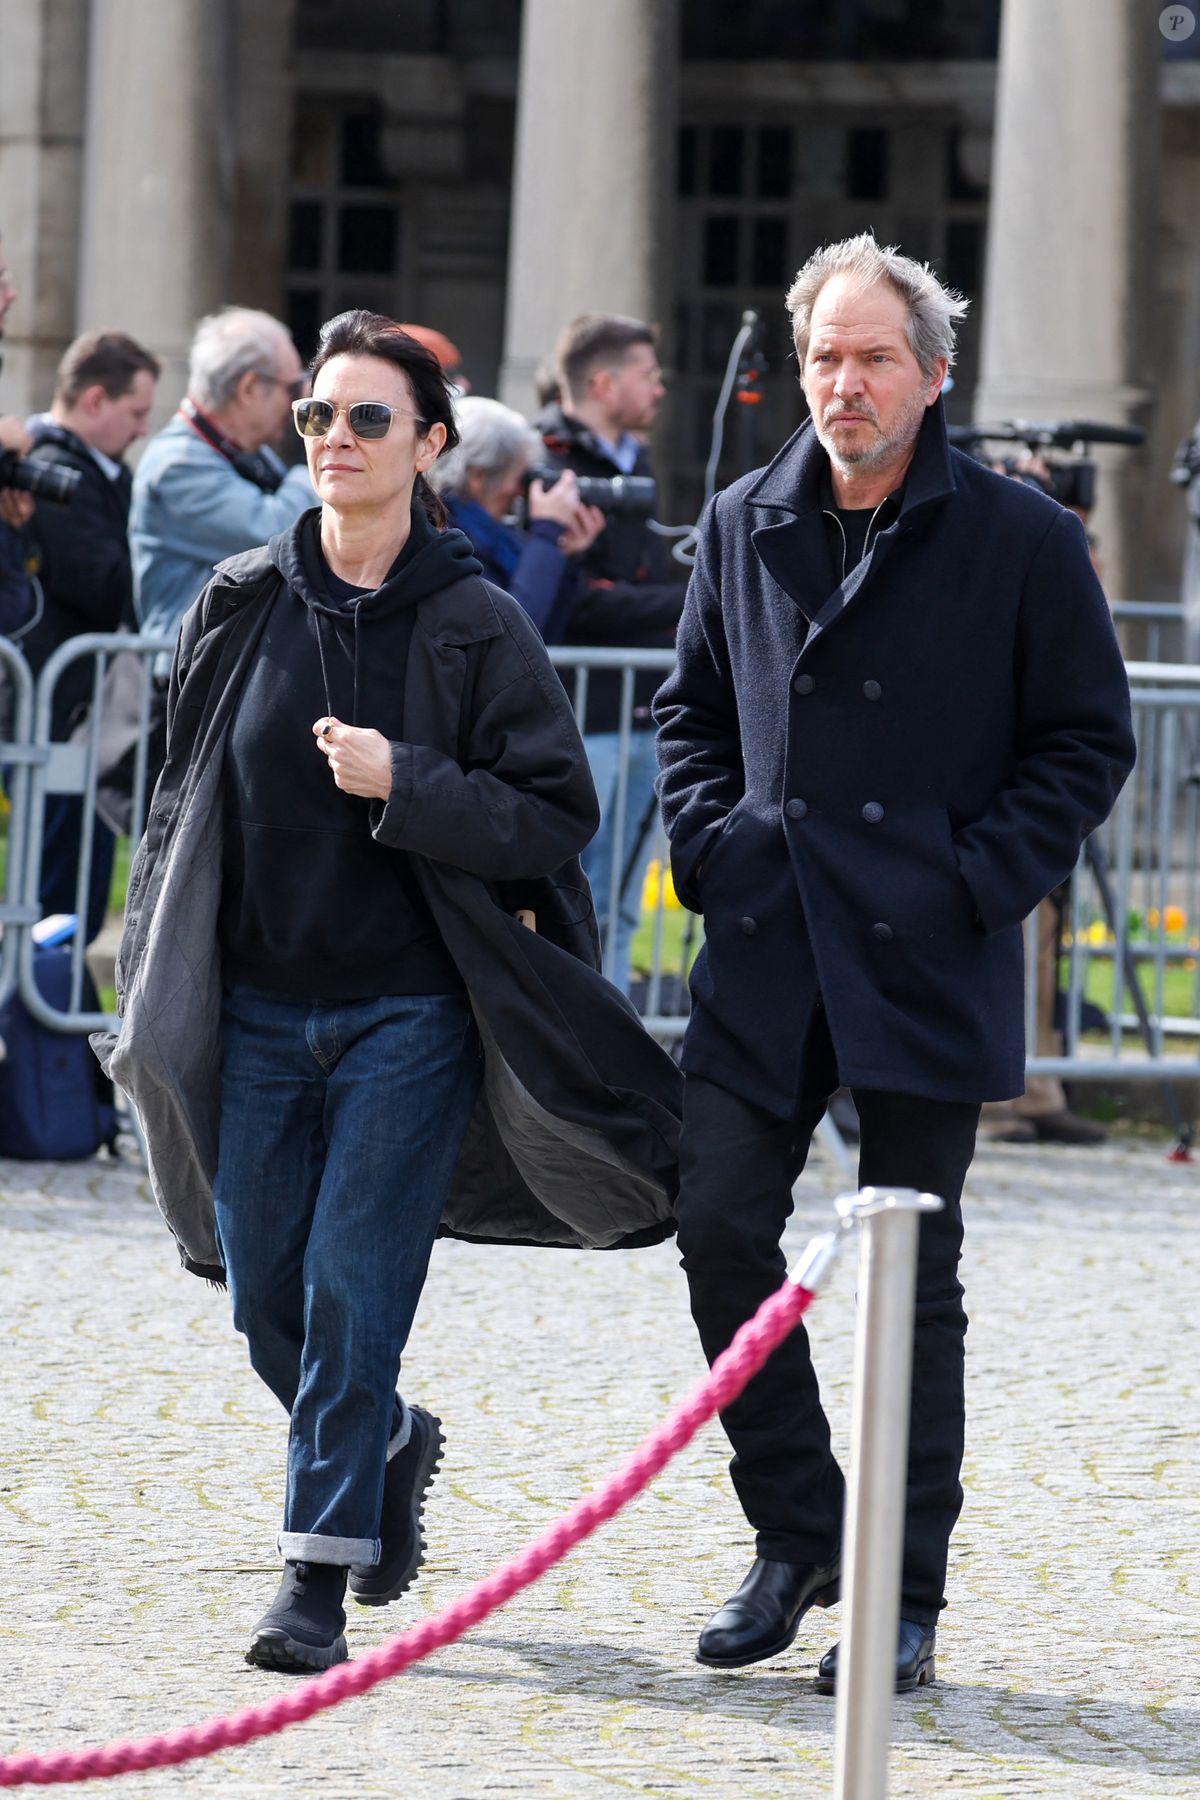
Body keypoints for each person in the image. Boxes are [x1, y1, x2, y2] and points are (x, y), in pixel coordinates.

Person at [95, 312, 680, 1674]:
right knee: (262, 1292)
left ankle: (316, 1567)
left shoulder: (474, 622)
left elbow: (553, 811)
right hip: (250, 1010)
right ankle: (389, 1442)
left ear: (429, 444)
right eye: (316, 418)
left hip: (407, 1018)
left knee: (358, 1290)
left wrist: (404, 782)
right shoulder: (240, 601)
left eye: (368, 420)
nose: (335, 440)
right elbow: (170, 779)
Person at [653, 234, 1135, 1691]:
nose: (843, 383)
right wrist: (711, 844)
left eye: (872, 358)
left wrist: (975, 879)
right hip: (766, 948)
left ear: (935, 374)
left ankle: (902, 1596)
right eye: (823, 358)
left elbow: (1086, 742)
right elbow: (693, 716)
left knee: (912, 1285)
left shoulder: (1025, 540)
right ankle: (801, 1532)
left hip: (922, 953)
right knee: (720, 1225)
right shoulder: (742, 518)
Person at [538, 313, 683, 992]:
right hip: (582, 716)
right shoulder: (549, 464)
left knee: (621, 901)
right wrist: (688, 603)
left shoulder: (634, 465)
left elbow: (621, 588)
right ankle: (574, 1061)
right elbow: (580, 604)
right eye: (647, 376)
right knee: (576, 901)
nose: (659, 390)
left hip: (639, 713)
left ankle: (614, 1054)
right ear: (603, 382)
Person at [20, 331, 160, 942]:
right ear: (96, 400)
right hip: (60, 710)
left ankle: (57, 1025)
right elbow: (107, 584)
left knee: (81, 880)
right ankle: (42, 1030)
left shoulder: (100, 471)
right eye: (135, 413)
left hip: (85, 709)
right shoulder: (52, 470)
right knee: (58, 888)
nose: (141, 430)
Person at [130, 306, 315, 650]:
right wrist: (320, 454)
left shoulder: (241, 450)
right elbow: (278, 530)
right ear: (248, 388)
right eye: (292, 389)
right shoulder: (178, 466)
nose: (299, 403)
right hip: (185, 682)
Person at [429, 394, 604, 640]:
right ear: (478, 477)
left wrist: (562, 555)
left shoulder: (497, 538)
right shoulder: (442, 538)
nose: (521, 491)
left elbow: (545, 635)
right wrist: (546, 532)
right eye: (519, 477)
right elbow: (512, 633)